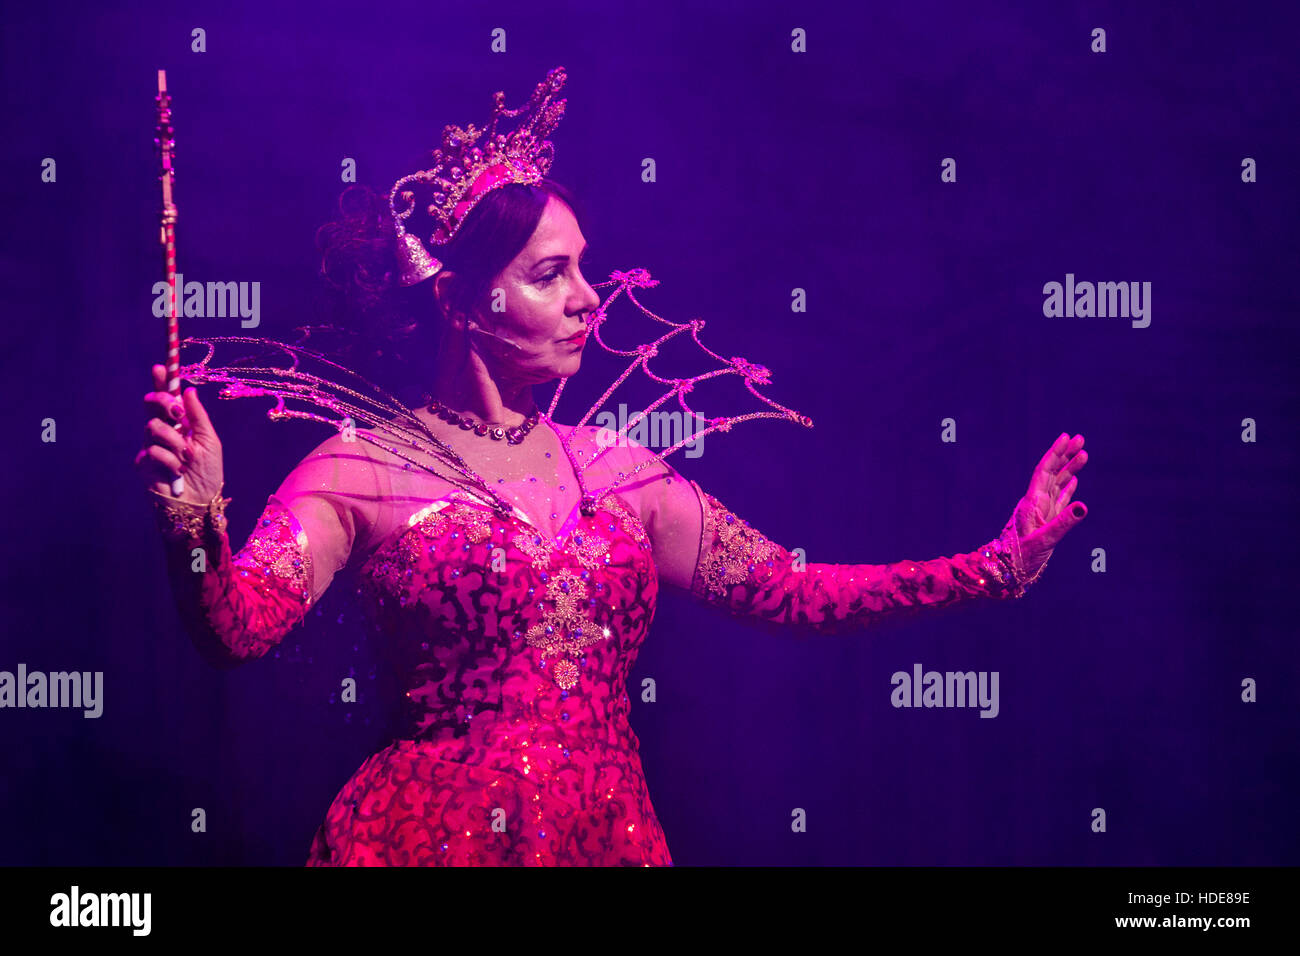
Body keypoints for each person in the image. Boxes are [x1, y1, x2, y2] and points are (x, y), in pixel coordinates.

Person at [134, 67, 1089, 866]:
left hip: (607, 841)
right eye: (552, 276)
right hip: (425, 845)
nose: (592, 299)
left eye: (584, 267)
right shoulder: (363, 470)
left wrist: (992, 567)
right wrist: (197, 518)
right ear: (468, 302)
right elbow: (231, 627)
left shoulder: (622, 475)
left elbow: (796, 593)